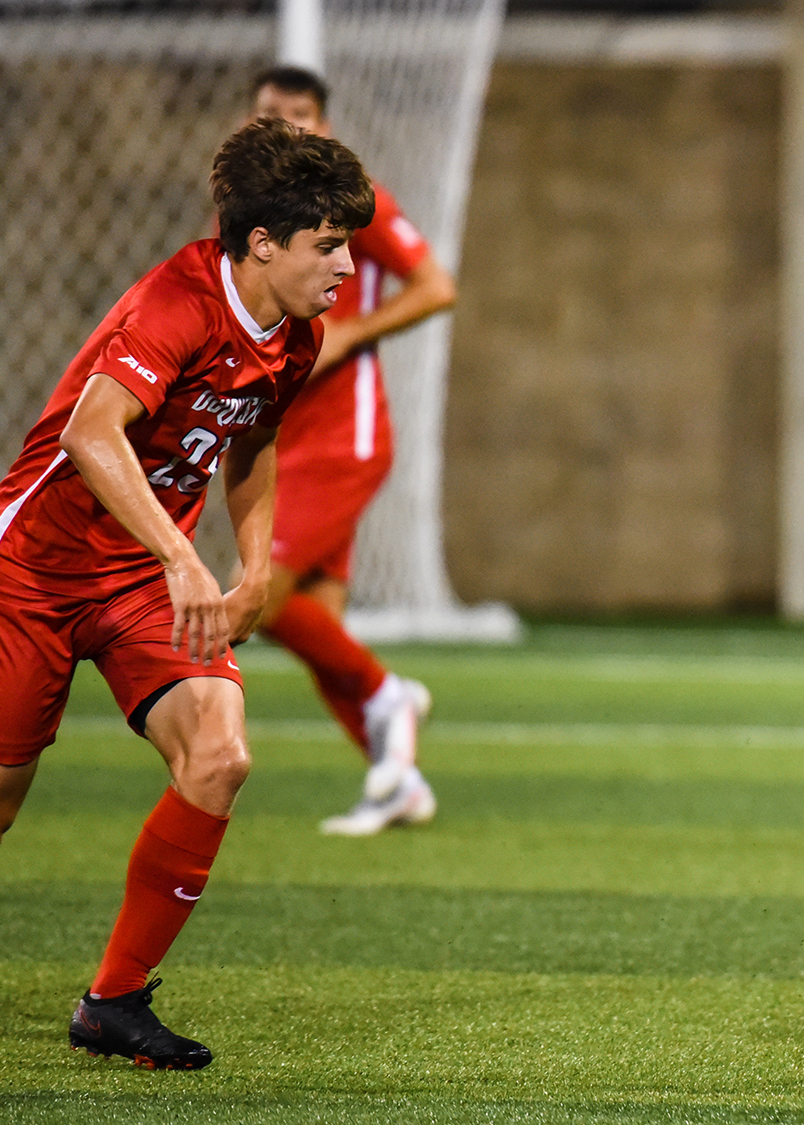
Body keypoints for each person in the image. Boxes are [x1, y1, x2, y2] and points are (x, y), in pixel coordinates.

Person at [0, 119, 374, 1069]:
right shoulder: (178, 302)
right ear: (261, 244)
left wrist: (254, 567)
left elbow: (252, 444)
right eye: (328, 245)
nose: (344, 268)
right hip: (29, 573)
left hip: (133, 577)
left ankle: (113, 1003)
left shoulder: (297, 335)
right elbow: (92, 435)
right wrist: (183, 557)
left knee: (219, 755)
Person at [244, 66, 458, 836]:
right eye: (272, 116)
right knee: (310, 623)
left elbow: (436, 286)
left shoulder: (354, 203)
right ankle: (397, 778)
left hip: (344, 436)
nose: (288, 129)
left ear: (325, 124)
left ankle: (391, 695)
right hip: (278, 434)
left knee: (256, 599)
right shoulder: (248, 219)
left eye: (300, 116)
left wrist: (352, 333)